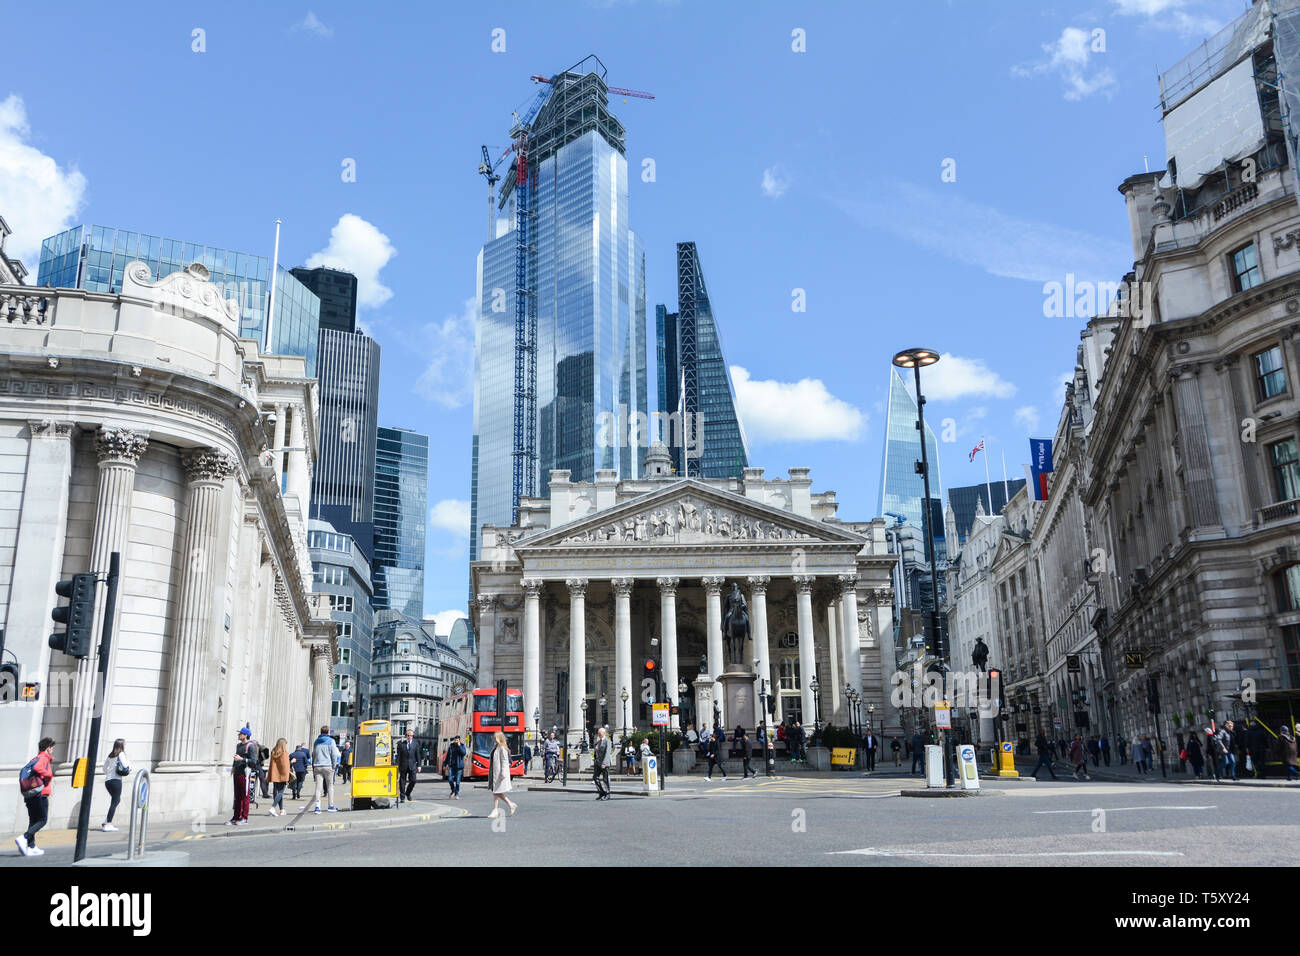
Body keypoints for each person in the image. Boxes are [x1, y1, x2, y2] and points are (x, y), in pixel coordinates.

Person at [15, 737, 56, 857]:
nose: (52, 750)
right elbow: (38, 768)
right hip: (40, 794)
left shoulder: (36, 757)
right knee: (42, 820)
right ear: (48, 748)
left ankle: (31, 846)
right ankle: (24, 838)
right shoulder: (44, 758)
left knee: (33, 820)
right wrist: (49, 774)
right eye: (52, 747)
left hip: (30, 794)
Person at [101, 738, 130, 832]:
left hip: (108, 781)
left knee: (116, 800)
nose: (125, 745)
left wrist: (109, 773)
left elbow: (104, 769)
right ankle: (108, 824)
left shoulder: (110, 755)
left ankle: (106, 822)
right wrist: (127, 759)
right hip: (116, 780)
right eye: (125, 744)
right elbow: (125, 766)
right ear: (121, 745)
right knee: (115, 801)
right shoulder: (121, 754)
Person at [311, 725, 341, 813]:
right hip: (328, 765)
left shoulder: (316, 741)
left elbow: (314, 754)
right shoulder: (331, 741)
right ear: (328, 732)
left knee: (318, 787)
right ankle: (330, 806)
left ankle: (317, 807)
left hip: (317, 765)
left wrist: (314, 765)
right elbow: (334, 754)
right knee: (330, 786)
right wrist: (334, 765)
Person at [488, 731, 518, 817]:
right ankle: (510, 804)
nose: (493, 739)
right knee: (496, 791)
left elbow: (505, 761)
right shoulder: (496, 747)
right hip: (495, 772)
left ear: (498, 738)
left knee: (496, 791)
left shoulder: (502, 748)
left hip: (500, 773)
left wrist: (504, 773)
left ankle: (496, 810)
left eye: (495, 737)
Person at [228, 728, 253, 825]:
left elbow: (253, 761)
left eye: (241, 734)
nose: (238, 735)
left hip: (245, 774)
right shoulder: (238, 745)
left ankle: (244, 818)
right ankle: (236, 817)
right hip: (237, 772)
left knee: (245, 796)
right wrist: (233, 767)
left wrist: (242, 759)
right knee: (237, 796)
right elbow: (236, 757)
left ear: (246, 735)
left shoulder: (251, 746)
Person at [397, 728, 420, 804]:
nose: (409, 737)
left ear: (413, 736)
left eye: (410, 735)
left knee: (413, 780)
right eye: (407, 735)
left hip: (412, 765)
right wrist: (398, 766)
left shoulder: (415, 744)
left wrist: (419, 765)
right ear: (406, 736)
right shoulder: (401, 744)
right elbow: (399, 756)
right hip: (403, 765)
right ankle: (402, 797)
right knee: (402, 782)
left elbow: (418, 755)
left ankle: (408, 793)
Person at [268, 738, 290, 816]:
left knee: (277, 792)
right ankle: (273, 807)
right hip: (282, 775)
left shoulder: (273, 752)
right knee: (280, 792)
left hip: (275, 775)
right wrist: (287, 776)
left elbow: (272, 765)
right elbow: (285, 767)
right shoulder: (284, 753)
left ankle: (281, 810)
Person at [592, 727, 611, 800]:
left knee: (605, 779)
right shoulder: (599, 741)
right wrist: (596, 743)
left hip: (604, 763)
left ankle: (607, 793)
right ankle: (601, 792)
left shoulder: (607, 741)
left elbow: (607, 753)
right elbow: (596, 751)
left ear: (604, 733)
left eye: (600, 733)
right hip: (598, 763)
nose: (598, 734)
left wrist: (604, 763)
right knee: (595, 778)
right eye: (598, 733)